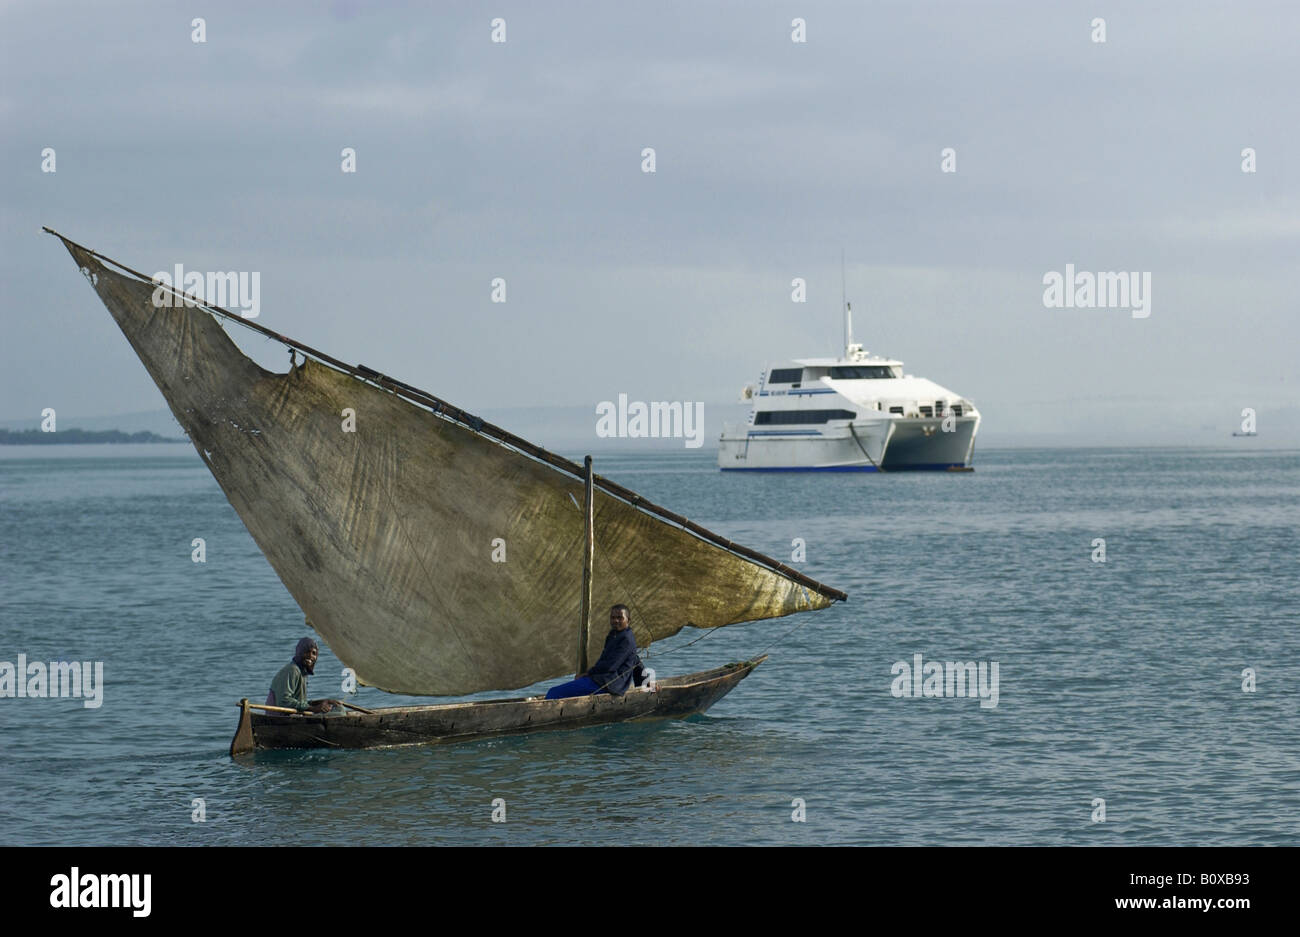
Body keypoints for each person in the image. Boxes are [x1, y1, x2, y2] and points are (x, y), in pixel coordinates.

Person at [545, 604, 651, 700]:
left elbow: (610, 666)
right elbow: (635, 659)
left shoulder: (626, 639)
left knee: (553, 693)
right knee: (564, 691)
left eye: (620, 618)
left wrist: (588, 674)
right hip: (603, 681)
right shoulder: (615, 634)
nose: (616, 621)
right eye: (613, 618)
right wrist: (646, 681)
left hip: (609, 684)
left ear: (628, 620)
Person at [267, 637, 339, 714]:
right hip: (279, 717)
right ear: (299, 652)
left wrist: (321, 702)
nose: (310, 656)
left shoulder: (302, 672)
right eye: (307, 652)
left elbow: (299, 703)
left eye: (314, 653)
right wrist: (313, 708)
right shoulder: (293, 670)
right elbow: (284, 701)